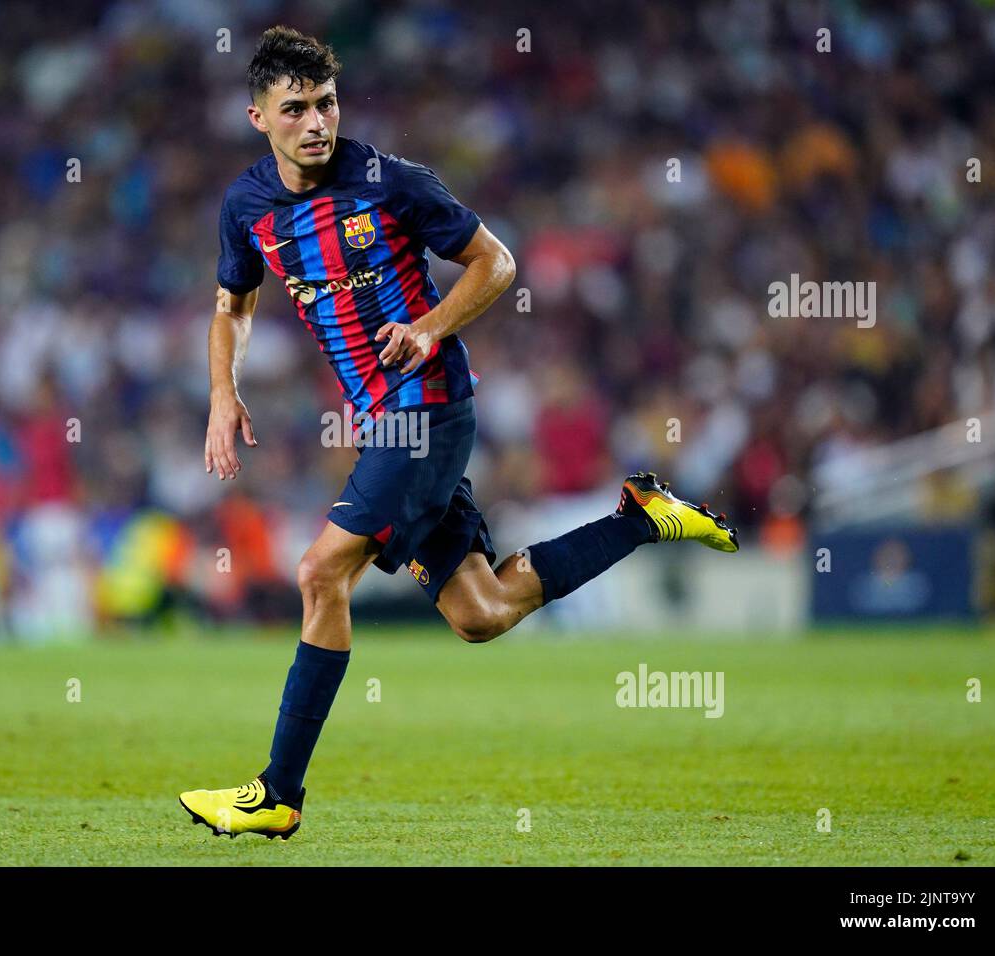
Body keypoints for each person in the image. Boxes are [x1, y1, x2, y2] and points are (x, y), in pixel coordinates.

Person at [180, 26, 738, 840]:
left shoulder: (391, 183)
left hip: (429, 407)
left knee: (319, 572)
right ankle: (638, 517)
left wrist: (432, 327)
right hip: (384, 418)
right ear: (258, 115)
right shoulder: (246, 206)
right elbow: (233, 305)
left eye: (326, 103)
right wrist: (221, 393)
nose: (316, 122)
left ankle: (277, 794)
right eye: (295, 108)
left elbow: (497, 262)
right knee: (479, 612)